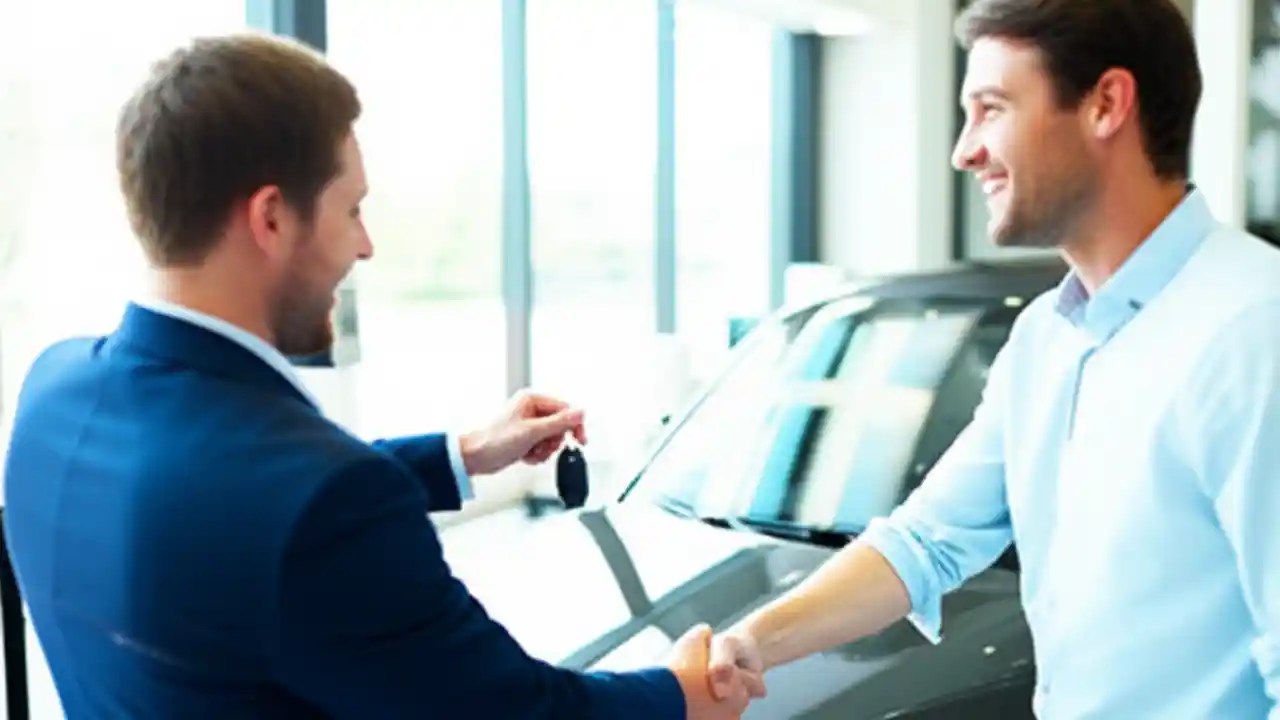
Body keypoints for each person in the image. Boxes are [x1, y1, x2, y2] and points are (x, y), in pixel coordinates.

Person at [1, 33, 752, 720]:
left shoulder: (54, 391)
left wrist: (461, 453)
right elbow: (512, 712)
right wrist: (679, 697)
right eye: (352, 208)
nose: (365, 246)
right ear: (269, 218)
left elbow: (225, 510)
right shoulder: (321, 503)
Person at [704, 0, 1280, 717]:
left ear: (1106, 103)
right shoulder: (1046, 338)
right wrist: (751, 642)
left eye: (991, 108)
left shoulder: (1256, 330)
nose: (964, 150)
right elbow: (924, 543)